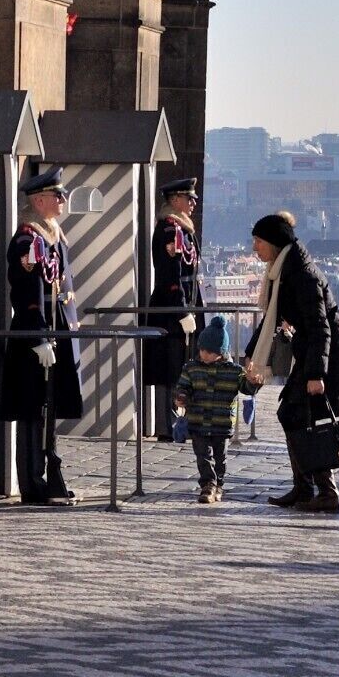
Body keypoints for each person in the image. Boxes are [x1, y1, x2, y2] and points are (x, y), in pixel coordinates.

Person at [246, 211, 339, 514]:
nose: (254, 248)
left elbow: (320, 327)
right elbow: (273, 318)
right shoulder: (283, 270)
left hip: (331, 357)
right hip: (316, 352)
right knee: (292, 414)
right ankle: (304, 487)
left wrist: (315, 374)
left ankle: (326, 491)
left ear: (273, 242)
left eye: (258, 241)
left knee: (305, 416)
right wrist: (250, 352)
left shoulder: (301, 274)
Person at [0, 167, 83, 506]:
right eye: (57, 195)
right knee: (33, 411)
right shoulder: (29, 240)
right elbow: (28, 292)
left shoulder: (52, 236)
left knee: (48, 409)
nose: (63, 199)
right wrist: (38, 337)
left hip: (54, 332)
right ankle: (33, 482)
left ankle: (48, 477)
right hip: (38, 336)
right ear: (39, 200)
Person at [145, 180, 201, 427]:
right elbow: (171, 273)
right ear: (175, 200)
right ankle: (169, 424)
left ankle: (180, 421)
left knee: (183, 364)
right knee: (171, 366)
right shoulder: (171, 229)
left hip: (185, 300)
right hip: (172, 305)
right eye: (188, 199)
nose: (193, 203)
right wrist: (181, 310)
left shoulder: (182, 228)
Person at [171, 316, 240, 503]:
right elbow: (182, 387)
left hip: (221, 423)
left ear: (221, 352)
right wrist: (181, 397)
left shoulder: (234, 371)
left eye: (209, 351)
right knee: (203, 456)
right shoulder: (192, 368)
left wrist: (253, 381)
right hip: (198, 422)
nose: (204, 354)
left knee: (220, 457)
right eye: (202, 350)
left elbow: (247, 388)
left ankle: (219, 484)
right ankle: (208, 485)